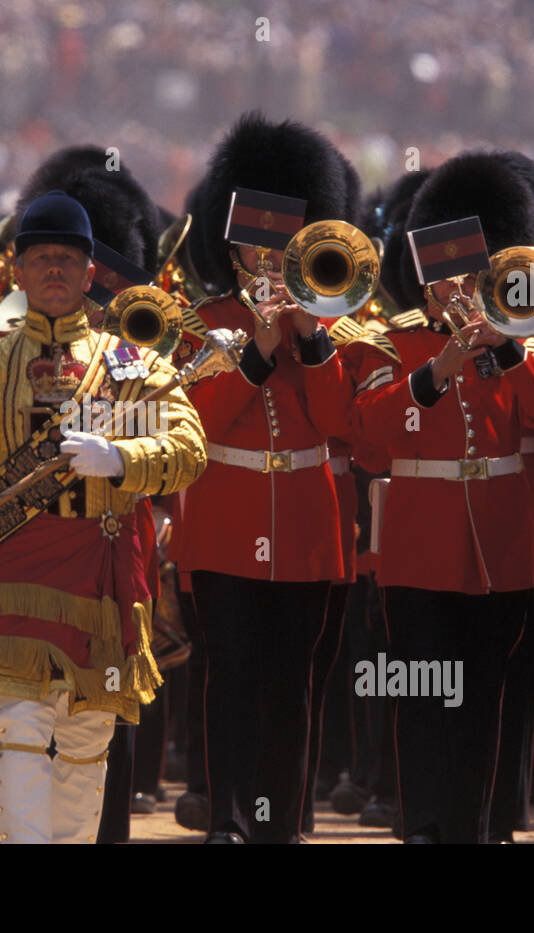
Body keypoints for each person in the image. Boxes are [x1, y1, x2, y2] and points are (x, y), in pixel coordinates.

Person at [0, 189, 207, 843]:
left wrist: (121, 457)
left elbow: (189, 451)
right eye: (41, 257)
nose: (55, 270)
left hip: (100, 577)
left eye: (68, 259)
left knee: (86, 736)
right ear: (17, 271)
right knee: (18, 725)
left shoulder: (133, 365)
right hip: (15, 567)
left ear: (89, 273)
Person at [351, 152, 534, 844]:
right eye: (443, 275)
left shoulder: (522, 342)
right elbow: (368, 442)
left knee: (484, 696)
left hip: (499, 549)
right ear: (423, 280)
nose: (456, 289)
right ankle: (422, 822)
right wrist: (434, 373)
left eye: (467, 275)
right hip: (420, 549)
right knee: (422, 692)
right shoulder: (394, 344)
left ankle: (474, 827)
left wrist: (506, 349)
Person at [176, 112, 360, 844]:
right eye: (252, 245)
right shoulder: (202, 323)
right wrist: (254, 349)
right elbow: (200, 422)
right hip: (224, 523)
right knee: (229, 679)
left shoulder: (326, 327)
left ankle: (279, 823)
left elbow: (338, 419)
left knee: (293, 687)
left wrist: (310, 338)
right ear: (231, 247)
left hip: (307, 531)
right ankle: (225, 818)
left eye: (280, 245)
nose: (264, 258)